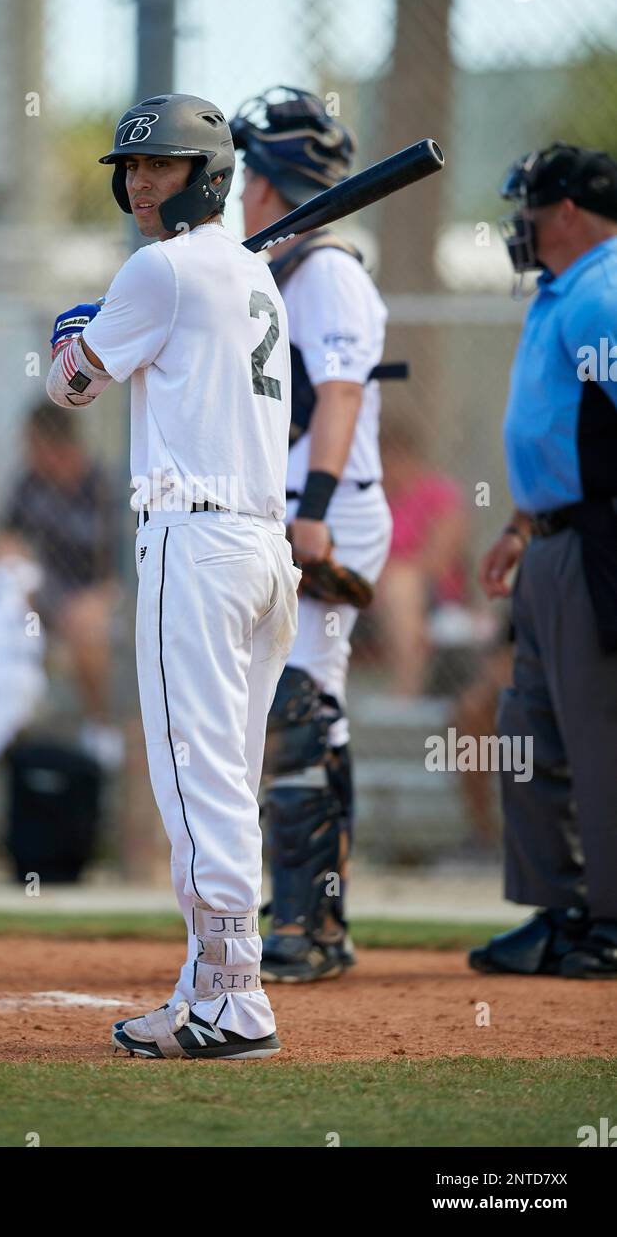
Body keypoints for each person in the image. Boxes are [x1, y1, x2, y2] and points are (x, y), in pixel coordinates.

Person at [46, 93, 299, 1060]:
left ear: (207, 176)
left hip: (195, 547)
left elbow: (72, 386)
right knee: (224, 779)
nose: (141, 183)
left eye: (161, 168)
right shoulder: (253, 276)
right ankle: (209, 983)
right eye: (135, 169)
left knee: (199, 783)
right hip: (261, 556)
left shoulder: (158, 270)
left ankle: (235, 1001)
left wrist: (72, 334)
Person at [232, 87, 393, 983]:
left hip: (328, 508)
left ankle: (303, 921)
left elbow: (341, 396)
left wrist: (317, 511)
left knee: (296, 706)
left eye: (252, 172)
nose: (242, 189)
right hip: (298, 508)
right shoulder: (285, 268)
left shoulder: (327, 270)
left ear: (276, 182)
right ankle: (313, 914)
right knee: (305, 708)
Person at [471, 142, 617, 979]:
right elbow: (560, 429)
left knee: (599, 740)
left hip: (599, 542)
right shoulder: (562, 292)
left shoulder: (603, 291)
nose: (516, 225)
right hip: (552, 540)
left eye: (528, 207)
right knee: (529, 729)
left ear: (567, 212)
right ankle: (559, 912)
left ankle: (610, 922)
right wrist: (521, 527)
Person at [2, 403, 121, 768]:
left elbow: (123, 570)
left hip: (100, 598)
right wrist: (8, 555)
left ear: (56, 446)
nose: (29, 455)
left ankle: (99, 730)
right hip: (47, 596)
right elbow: (5, 538)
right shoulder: (30, 484)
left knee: (84, 625)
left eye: (34, 446)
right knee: (5, 598)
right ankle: (10, 725)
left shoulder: (101, 486)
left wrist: (96, 601)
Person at [377, 418, 468, 697]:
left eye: (397, 458)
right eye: (384, 459)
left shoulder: (439, 494)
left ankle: (406, 691)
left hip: (430, 591)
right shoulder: (371, 496)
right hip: (372, 585)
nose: (391, 468)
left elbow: (438, 561)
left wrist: (389, 570)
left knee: (400, 586)